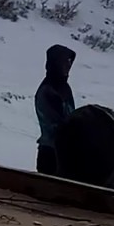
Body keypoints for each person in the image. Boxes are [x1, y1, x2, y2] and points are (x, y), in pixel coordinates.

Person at [33, 44, 77, 175]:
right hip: (51, 154)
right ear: (55, 63)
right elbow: (56, 127)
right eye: (64, 62)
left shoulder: (64, 88)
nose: (68, 66)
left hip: (67, 154)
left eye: (69, 62)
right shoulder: (47, 91)